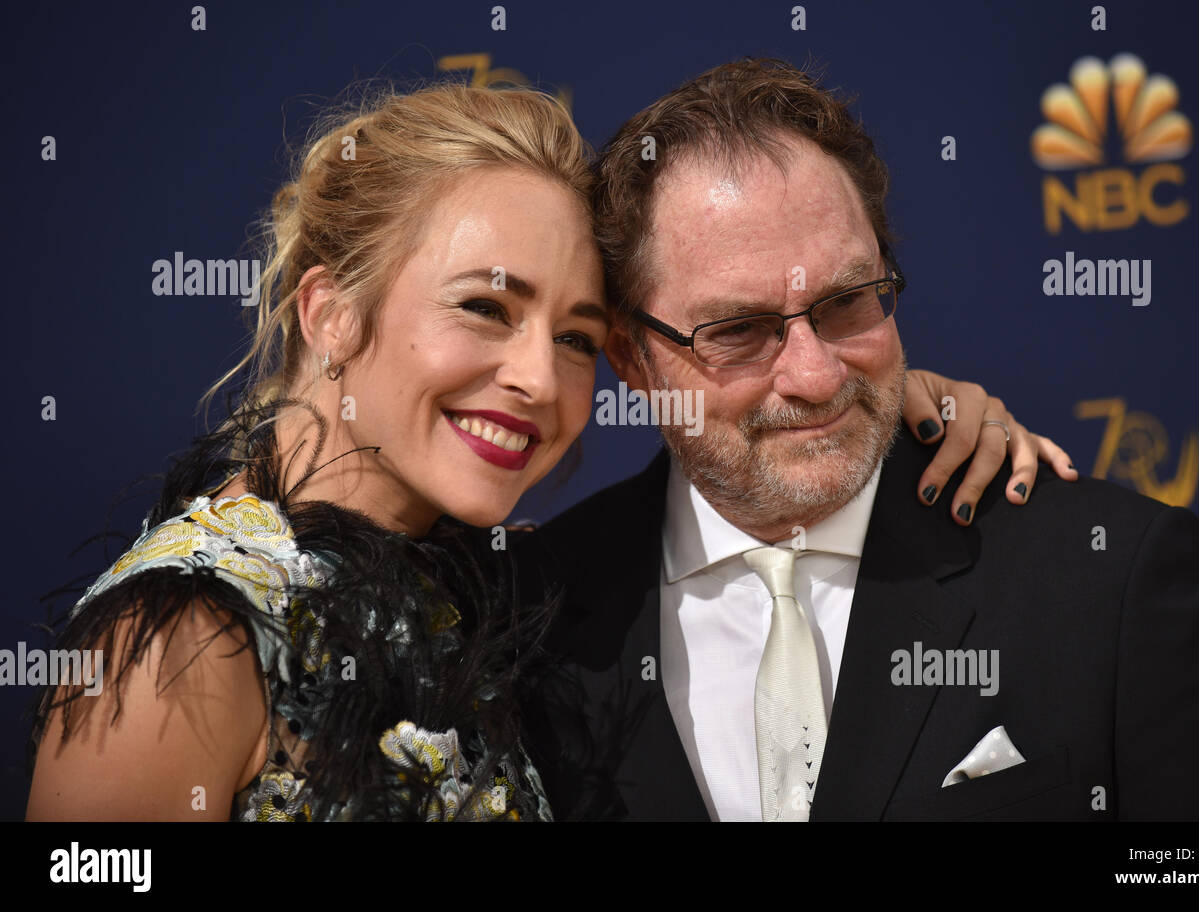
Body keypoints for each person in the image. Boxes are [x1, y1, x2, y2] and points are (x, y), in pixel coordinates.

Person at [24, 80, 1063, 822]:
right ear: (331, 315)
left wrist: (871, 402)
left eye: (573, 337)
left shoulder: (496, 597)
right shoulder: (183, 639)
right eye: (485, 306)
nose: (537, 376)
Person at [517, 59, 1199, 821]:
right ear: (631, 356)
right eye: (740, 330)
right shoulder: (527, 623)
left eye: (849, 302)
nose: (816, 376)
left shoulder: (1112, 578)